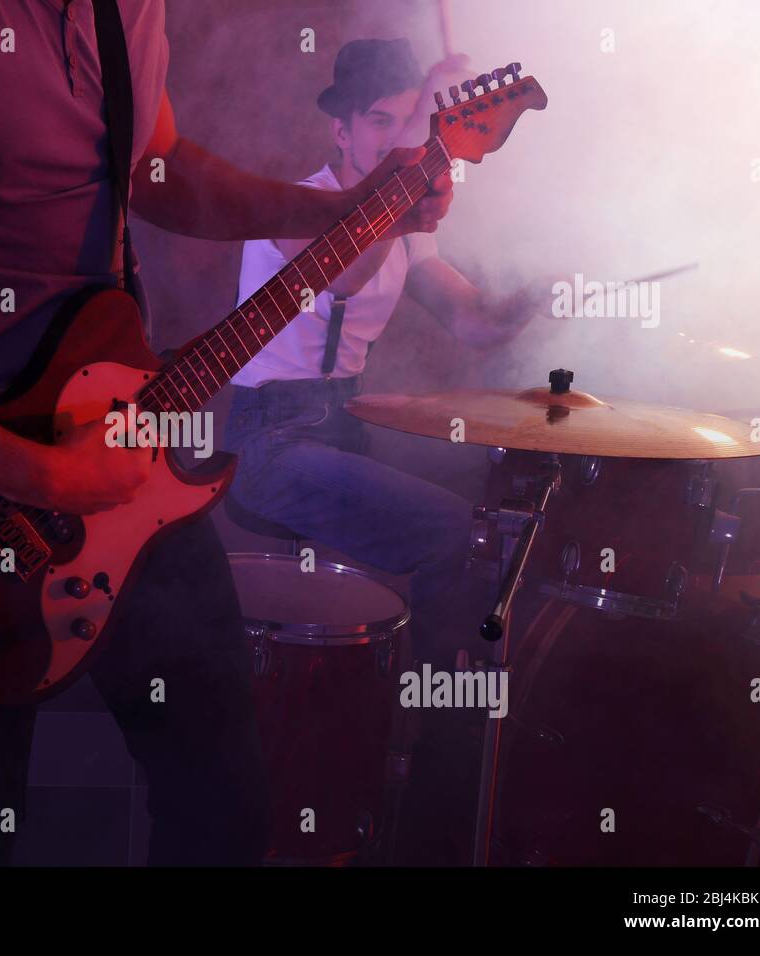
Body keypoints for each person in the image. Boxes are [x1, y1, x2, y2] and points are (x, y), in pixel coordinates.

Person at [0, 2, 454, 865]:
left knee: (223, 798)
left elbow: (155, 168)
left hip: (128, 450)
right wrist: (42, 476)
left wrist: (342, 210)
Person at [220, 38, 550, 863]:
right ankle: (433, 760)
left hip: (344, 423)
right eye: (381, 122)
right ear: (341, 131)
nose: (397, 139)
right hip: (266, 440)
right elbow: (339, 278)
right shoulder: (295, 209)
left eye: (411, 122)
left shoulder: (409, 226)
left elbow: (473, 324)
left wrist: (535, 294)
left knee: (494, 505)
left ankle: (440, 749)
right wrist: (414, 183)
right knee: (452, 536)